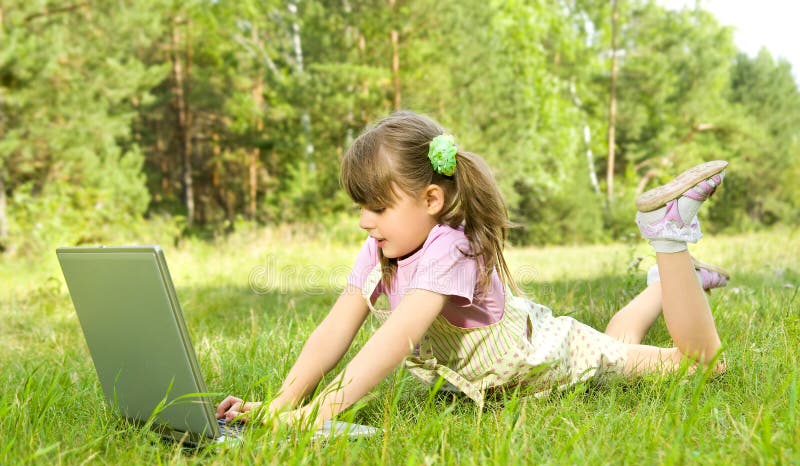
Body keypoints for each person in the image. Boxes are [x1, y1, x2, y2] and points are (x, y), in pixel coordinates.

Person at [216, 111, 727, 428]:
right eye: (359, 206)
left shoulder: (449, 248)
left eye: (376, 206)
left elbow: (393, 341)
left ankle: (669, 239)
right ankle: (665, 286)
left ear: (431, 198)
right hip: (533, 361)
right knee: (622, 341)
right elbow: (335, 328)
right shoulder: (382, 249)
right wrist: (281, 403)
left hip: (551, 355)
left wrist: (321, 412)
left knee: (699, 365)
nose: (362, 221)